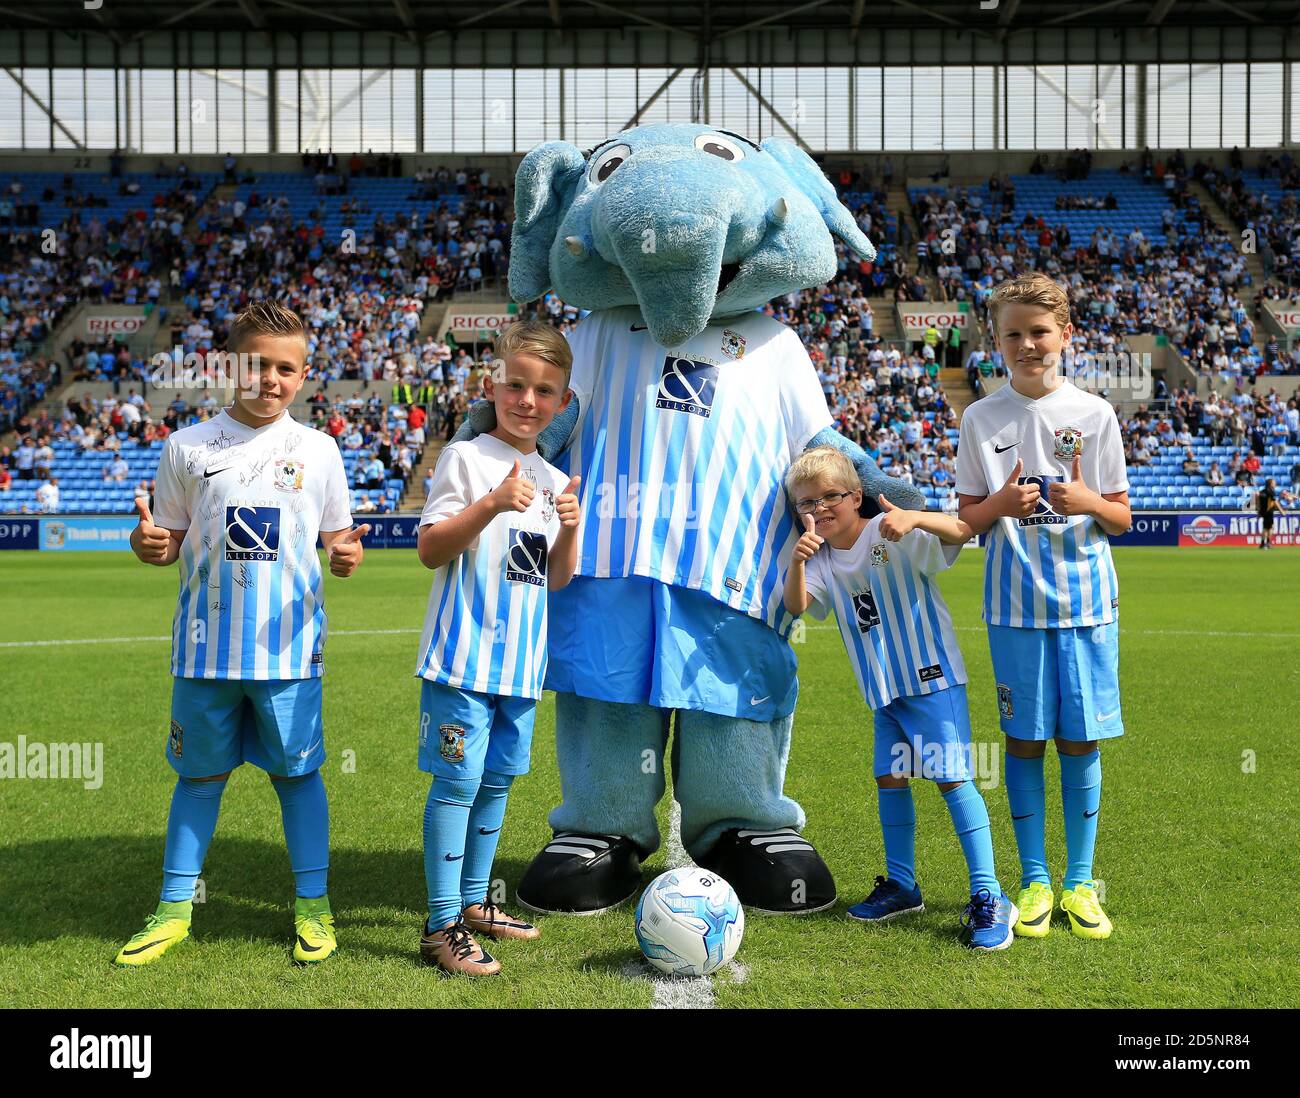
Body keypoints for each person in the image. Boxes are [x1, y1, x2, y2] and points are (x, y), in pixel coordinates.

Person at [114, 302, 370, 968]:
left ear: (305, 374)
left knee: (298, 779)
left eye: (286, 368)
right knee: (199, 779)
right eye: (256, 364)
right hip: (205, 652)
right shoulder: (189, 446)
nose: (271, 379)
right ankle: (173, 911)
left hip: (289, 654)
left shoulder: (319, 450)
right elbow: (165, 543)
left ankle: (313, 908)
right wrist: (146, 544)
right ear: (229, 365)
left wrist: (347, 556)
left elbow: (340, 541)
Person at [782, 447, 1017, 951]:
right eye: (808, 503)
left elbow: (960, 532)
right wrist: (797, 562)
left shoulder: (888, 530)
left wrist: (914, 517)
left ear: (856, 496)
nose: (821, 508)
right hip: (883, 689)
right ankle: (903, 885)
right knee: (890, 777)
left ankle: (990, 895)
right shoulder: (819, 559)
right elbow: (797, 606)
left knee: (952, 779)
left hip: (929, 679)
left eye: (831, 497)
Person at [956, 273, 1131, 942]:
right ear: (995, 340)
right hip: (1014, 608)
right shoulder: (982, 417)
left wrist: (1086, 503)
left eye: (1040, 332)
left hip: (1088, 606)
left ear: (1065, 336)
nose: (1028, 344)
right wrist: (1001, 506)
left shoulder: (1094, 414)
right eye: (1014, 333)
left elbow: (1119, 516)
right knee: (1024, 739)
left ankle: (1080, 884)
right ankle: (1033, 881)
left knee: (1080, 738)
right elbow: (970, 517)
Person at [413, 321, 581, 976]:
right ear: (494, 385)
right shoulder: (467, 457)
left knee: (499, 780)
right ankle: (441, 923)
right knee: (456, 782)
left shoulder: (552, 478)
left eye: (544, 391)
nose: (528, 400)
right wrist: (489, 504)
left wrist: (568, 529)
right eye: (516, 385)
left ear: (561, 402)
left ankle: (478, 901)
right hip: (462, 660)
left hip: (520, 668)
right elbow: (431, 549)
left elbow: (557, 577)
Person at [1255, 477, 1289, 550]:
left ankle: (1262, 543)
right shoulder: (1271, 492)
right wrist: (1282, 511)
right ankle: (1268, 543)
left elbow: (1258, 504)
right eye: (1274, 483)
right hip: (1269, 512)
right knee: (1270, 528)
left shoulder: (1262, 492)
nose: (1275, 484)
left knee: (1265, 528)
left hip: (1263, 512)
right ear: (1270, 484)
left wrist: (1259, 513)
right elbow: (1275, 502)